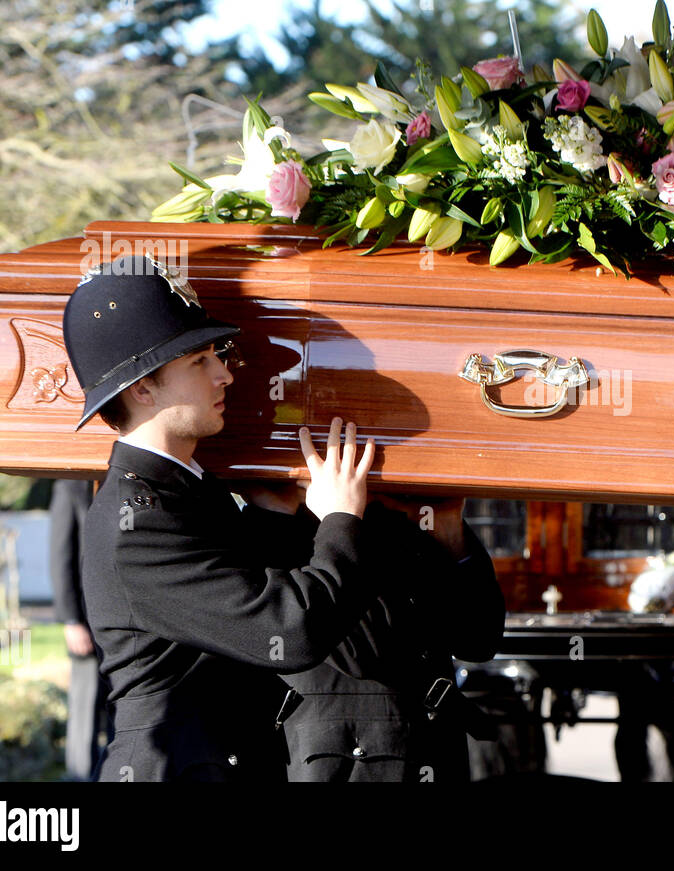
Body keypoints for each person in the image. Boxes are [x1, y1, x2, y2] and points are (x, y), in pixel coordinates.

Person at [65, 255, 386, 782]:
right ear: (142, 388)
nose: (225, 373)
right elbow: (289, 629)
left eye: (218, 355)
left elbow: (237, 592)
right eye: (198, 361)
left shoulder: (185, 490)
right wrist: (340, 519)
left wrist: (275, 519)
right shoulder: (139, 523)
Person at [242, 488, 504, 782]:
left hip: (424, 749)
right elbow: (361, 652)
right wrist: (346, 514)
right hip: (350, 760)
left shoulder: (403, 513)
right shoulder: (281, 520)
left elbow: (480, 639)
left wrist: (449, 529)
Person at [48, 477, 113, 780]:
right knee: (85, 713)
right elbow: (60, 555)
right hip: (85, 624)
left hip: (122, 628)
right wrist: (71, 620)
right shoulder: (69, 486)